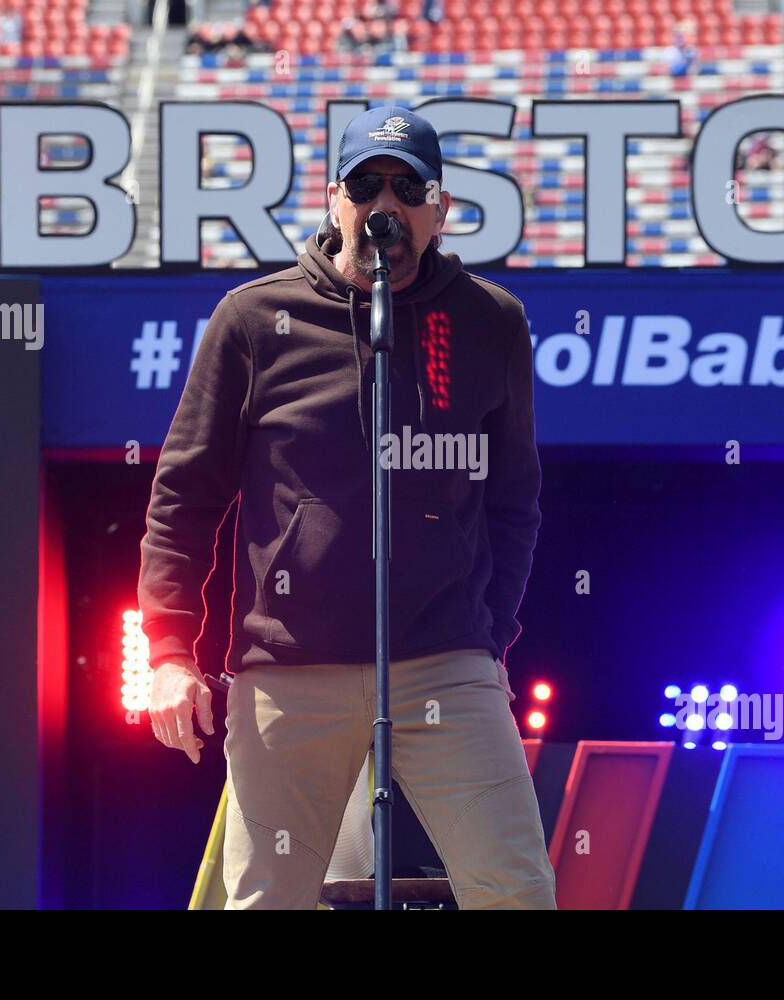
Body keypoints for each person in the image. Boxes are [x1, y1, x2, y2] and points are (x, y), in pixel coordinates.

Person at [139, 105, 557, 910]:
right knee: (267, 897)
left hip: (446, 661)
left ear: (438, 211)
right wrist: (167, 649)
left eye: (408, 188)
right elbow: (184, 492)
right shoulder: (255, 319)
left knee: (514, 887)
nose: (384, 205)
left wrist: (486, 631)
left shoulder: (490, 321)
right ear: (334, 199)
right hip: (290, 669)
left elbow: (515, 501)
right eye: (366, 184)